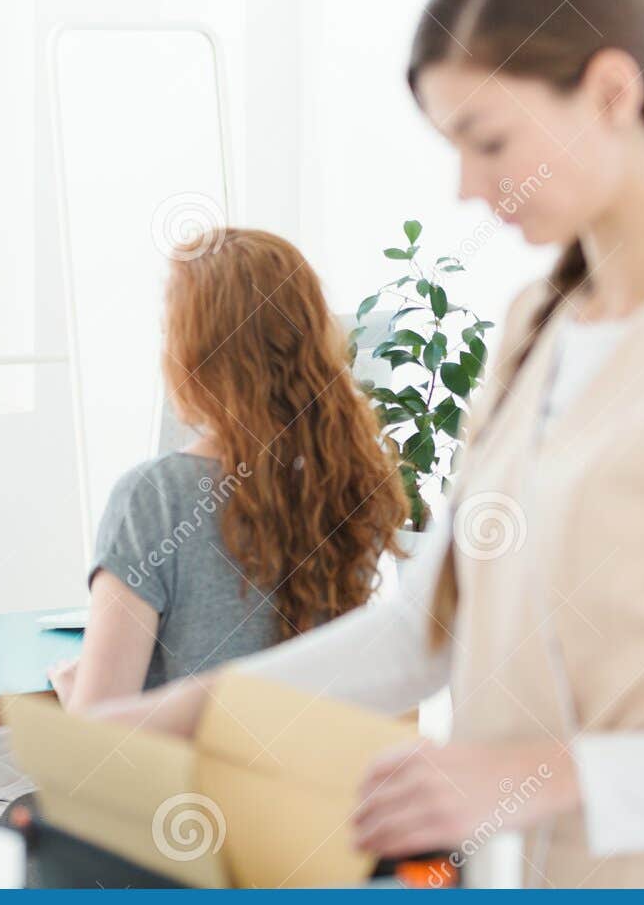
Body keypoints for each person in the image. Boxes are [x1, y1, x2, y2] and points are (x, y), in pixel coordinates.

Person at [90, 0, 644, 887]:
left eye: (488, 141)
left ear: (611, 91)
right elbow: (425, 626)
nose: (467, 185)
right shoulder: (539, 322)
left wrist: (547, 775)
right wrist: (187, 711)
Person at [47, 228, 407, 711]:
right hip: (305, 784)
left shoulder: (153, 497)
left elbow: (99, 743)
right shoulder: (343, 481)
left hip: (180, 786)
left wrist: (75, 695)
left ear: (195, 354)